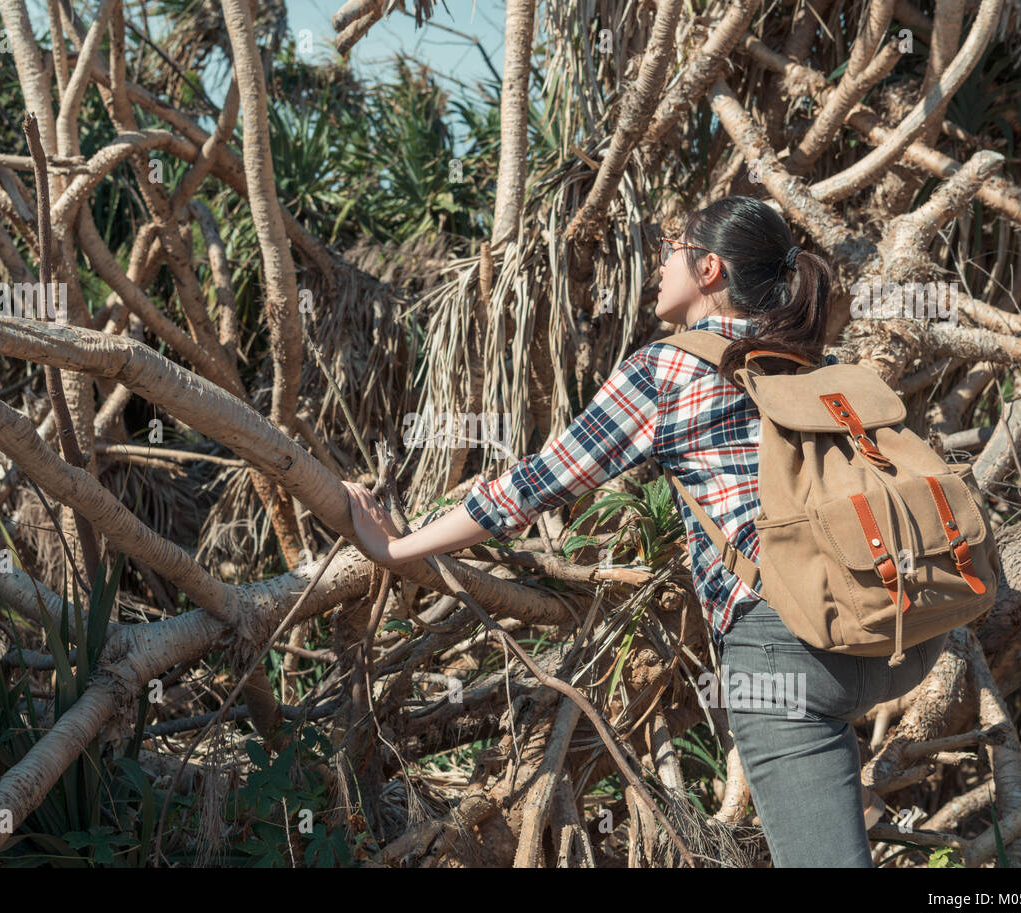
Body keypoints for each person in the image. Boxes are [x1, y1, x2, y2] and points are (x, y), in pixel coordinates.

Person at [341, 195, 945, 867]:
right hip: (896, 634)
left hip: (786, 653)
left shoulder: (667, 368)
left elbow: (534, 487)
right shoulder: (801, 359)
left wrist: (395, 547)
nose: (658, 264)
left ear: (709, 268)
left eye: (672, 249)